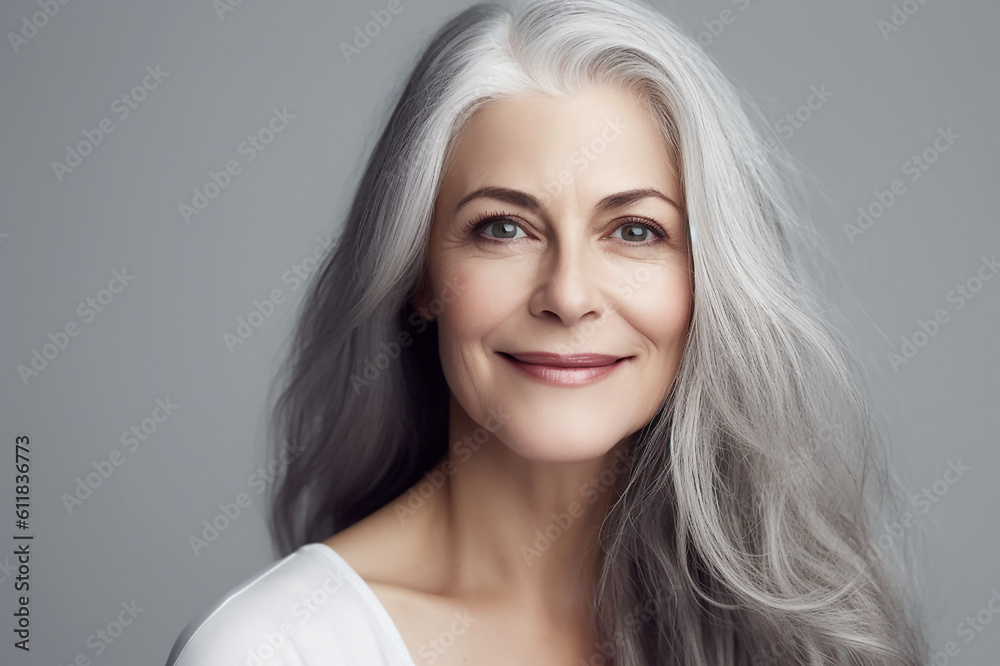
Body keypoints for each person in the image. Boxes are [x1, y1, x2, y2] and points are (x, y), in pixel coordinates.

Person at [165, 0, 930, 663]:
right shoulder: (274, 650)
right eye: (503, 227)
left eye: (634, 231)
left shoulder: (792, 634)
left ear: (706, 283)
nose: (567, 295)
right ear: (421, 275)